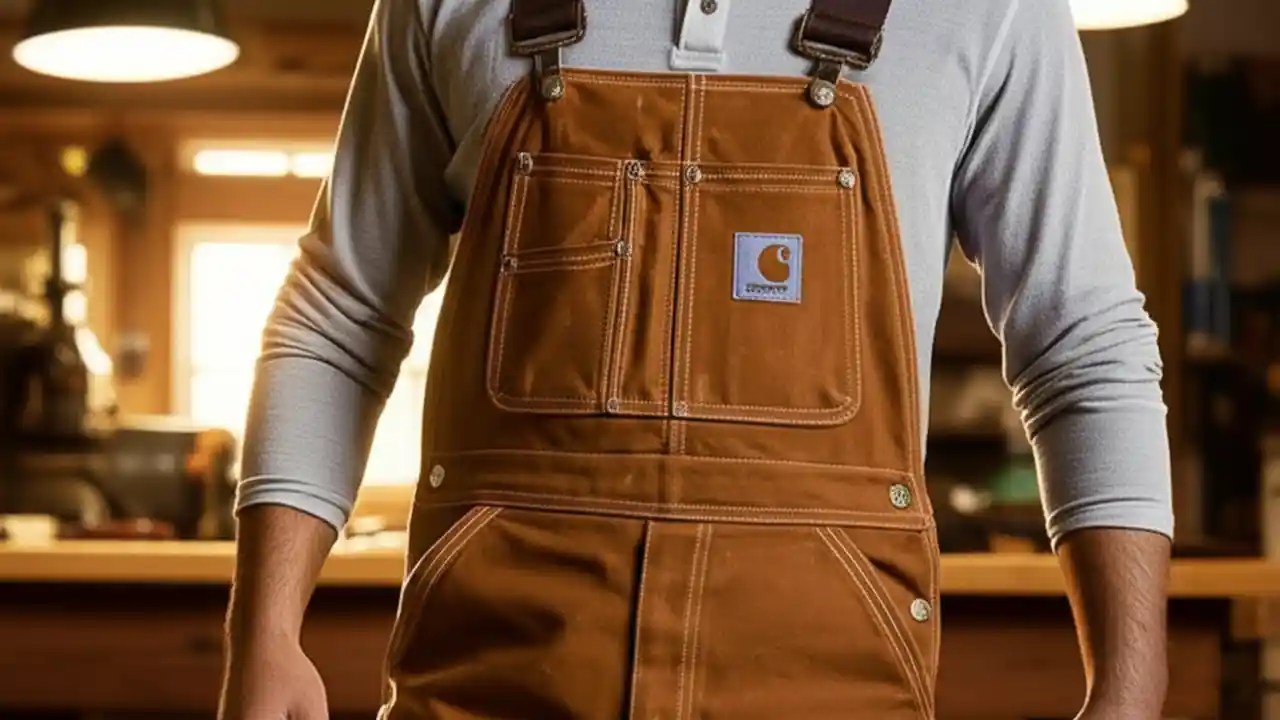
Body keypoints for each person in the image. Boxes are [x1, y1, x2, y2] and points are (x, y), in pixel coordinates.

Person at [218, 0, 1174, 718]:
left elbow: (1081, 344)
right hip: (491, 685)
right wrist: (261, 635)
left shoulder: (991, 8)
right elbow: (339, 314)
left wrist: (1130, 691)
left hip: (833, 692)